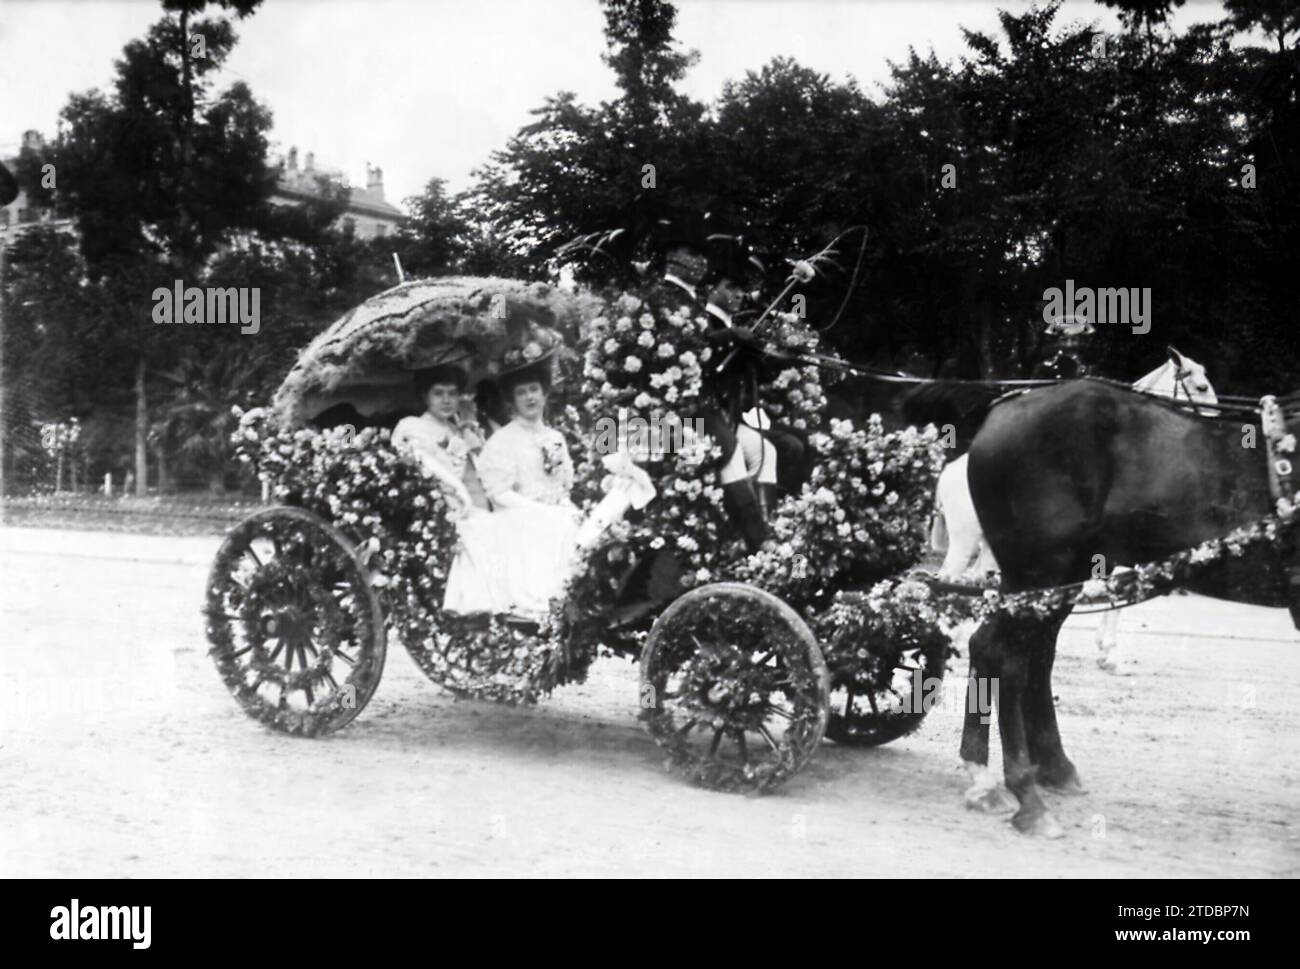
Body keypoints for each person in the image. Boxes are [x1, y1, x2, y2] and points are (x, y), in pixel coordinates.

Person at [473, 347, 581, 620]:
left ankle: (577, 600)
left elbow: (563, 485)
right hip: (517, 518)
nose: (529, 397)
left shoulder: (555, 437)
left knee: (580, 524)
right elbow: (499, 494)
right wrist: (538, 511)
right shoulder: (504, 440)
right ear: (512, 400)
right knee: (551, 524)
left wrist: (564, 507)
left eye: (533, 389)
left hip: (552, 513)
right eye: (521, 393)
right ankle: (544, 603)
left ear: (544, 392)